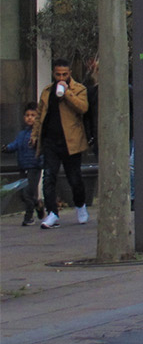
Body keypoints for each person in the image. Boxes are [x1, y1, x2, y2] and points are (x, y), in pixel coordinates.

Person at [34, 58, 89, 229]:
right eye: (58, 74)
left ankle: (80, 205)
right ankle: (53, 213)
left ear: (69, 74)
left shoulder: (78, 89)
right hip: (51, 140)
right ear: (53, 73)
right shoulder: (47, 91)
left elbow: (83, 107)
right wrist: (35, 135)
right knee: (49, 177)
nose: (61, 77)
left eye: (64, 74)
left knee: (74, 178)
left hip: (71, 141)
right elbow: (40, 115)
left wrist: (67, 93)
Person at [4, 102, 44, 225]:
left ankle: (28, 217)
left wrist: (41, 161)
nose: (30, 118)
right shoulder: (22, 134)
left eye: (33, 115)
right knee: (22, 193)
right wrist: (7, 148)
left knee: (28, 193)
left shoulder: (38, 134)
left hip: (34, 167)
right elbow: (15, 145)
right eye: (27, 115)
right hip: (23, 167)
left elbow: (42, 149)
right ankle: (37, 204)